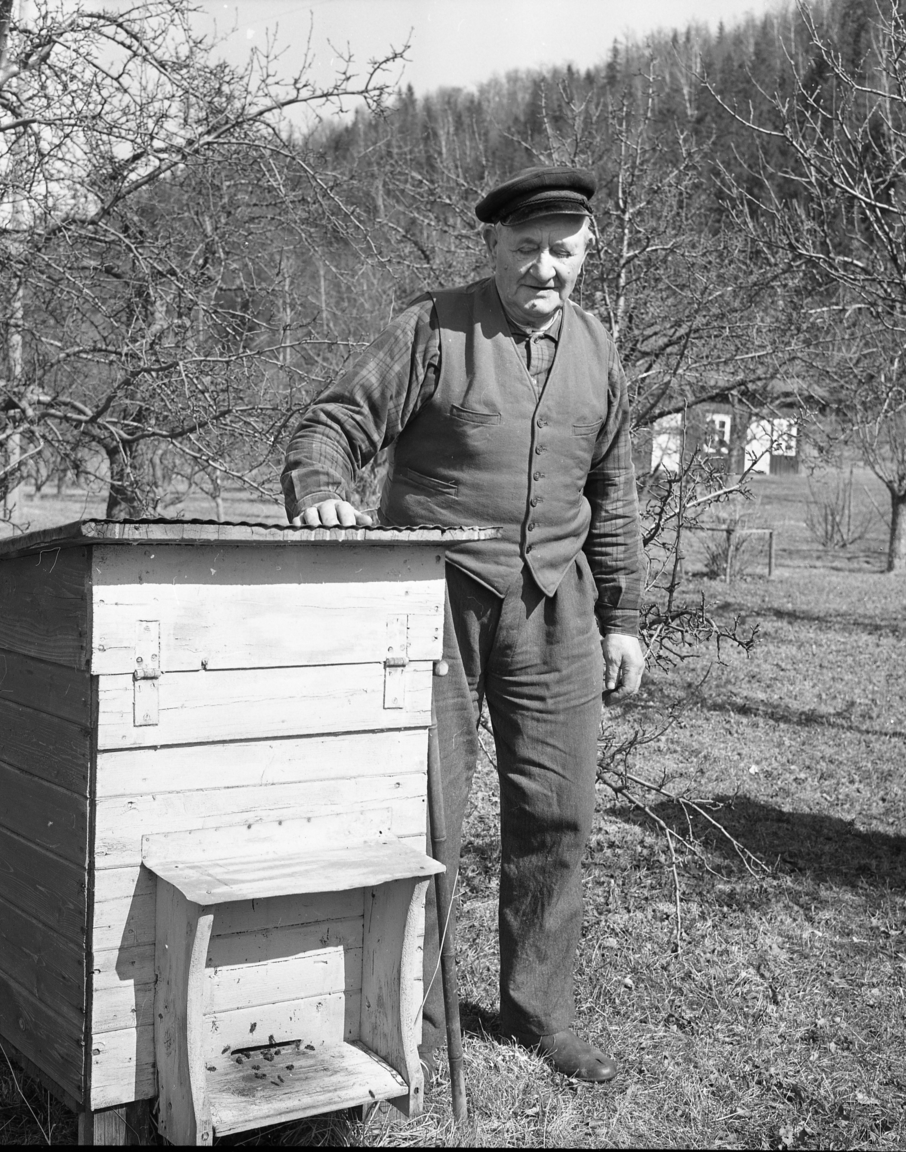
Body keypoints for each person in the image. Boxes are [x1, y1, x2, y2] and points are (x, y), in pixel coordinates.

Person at [281, 166, 646, 1083]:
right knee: (425, 814)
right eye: (525, 250)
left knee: (557, 815)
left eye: (562, 252)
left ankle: (540, 1012)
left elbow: (614, 495)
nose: (544, 270)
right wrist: (322, 490)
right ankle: (421, 1008)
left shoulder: (601, 350)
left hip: (557, 606)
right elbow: (331, 423)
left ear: (586, 255)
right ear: (493, 248)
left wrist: (625, 615)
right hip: (434, 597)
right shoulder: (433, 327)